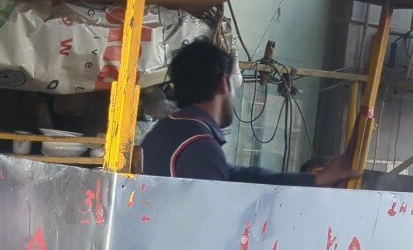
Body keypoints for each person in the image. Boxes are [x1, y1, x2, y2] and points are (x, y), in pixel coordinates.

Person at [142, 38, 357, 187]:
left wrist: (316, 180)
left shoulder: (166, 131)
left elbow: (241, 176)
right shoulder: (199, 146)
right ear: (223, 84)